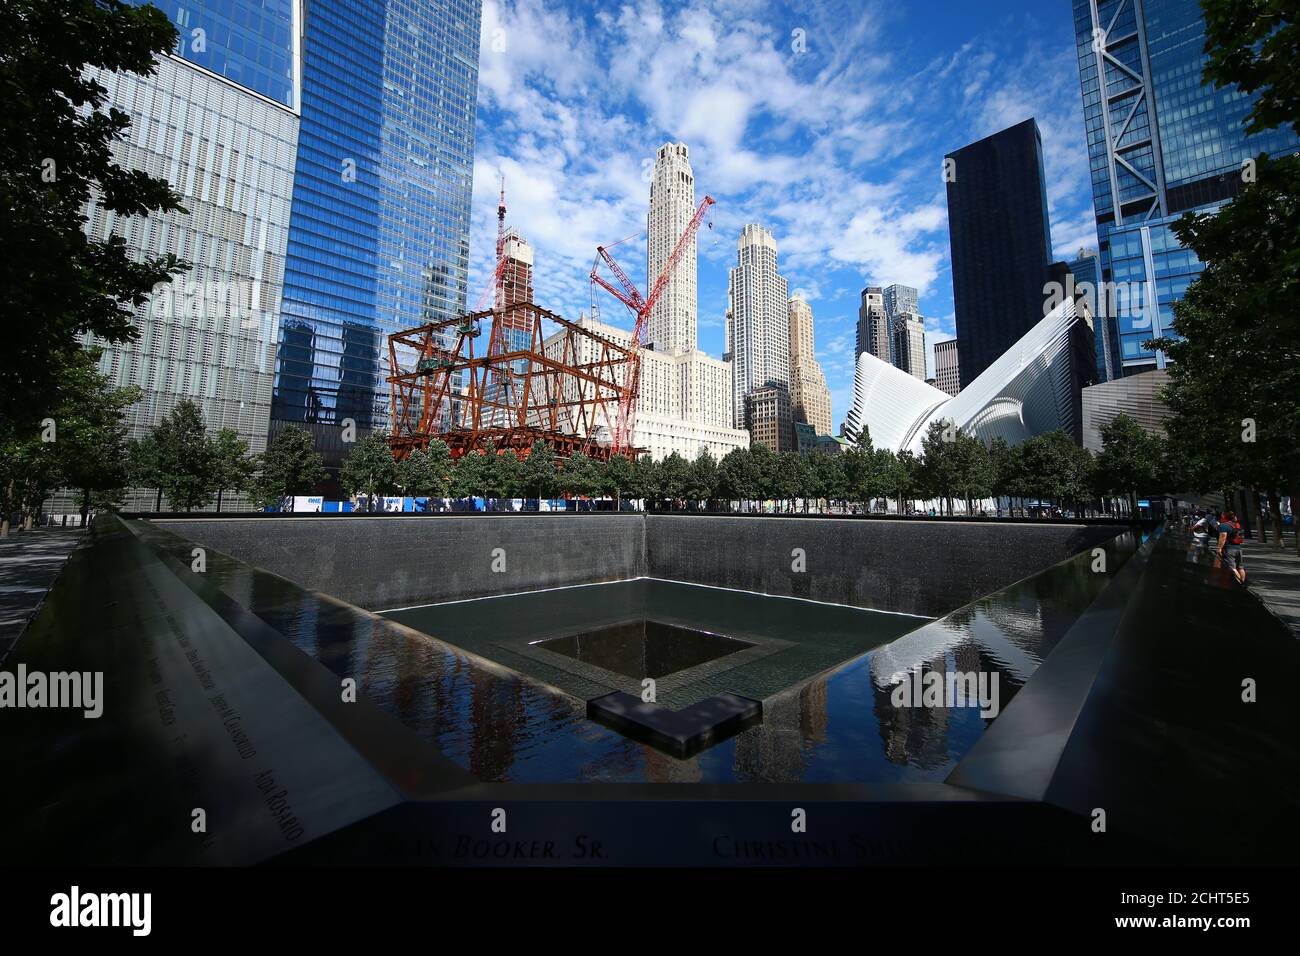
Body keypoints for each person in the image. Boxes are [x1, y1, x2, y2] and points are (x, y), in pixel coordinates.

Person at [1217, 510, 1247, 584]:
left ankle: (1239, 584)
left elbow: (1223, 537)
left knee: (1232, 568)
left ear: (1224, 516)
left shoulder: (1223, 526)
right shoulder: (1237, 525)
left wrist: (1219, 548)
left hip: (1229, 549)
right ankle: (1242, 583)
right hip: (1238, 548)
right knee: (1240, 567)